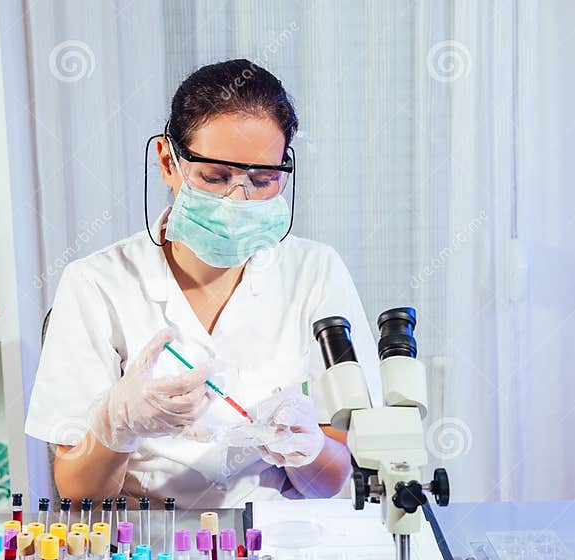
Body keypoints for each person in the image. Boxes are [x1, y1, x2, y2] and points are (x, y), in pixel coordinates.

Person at [26, 59, 382, 509]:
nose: (238, 199)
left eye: (263, 180)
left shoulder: (315, 272)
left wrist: (306, 448)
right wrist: (118, 426)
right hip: (148, 533)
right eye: (215, 177)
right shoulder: (96, 284)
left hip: (276, 532)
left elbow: (329, 482)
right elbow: (79, 493)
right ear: (168, 162)